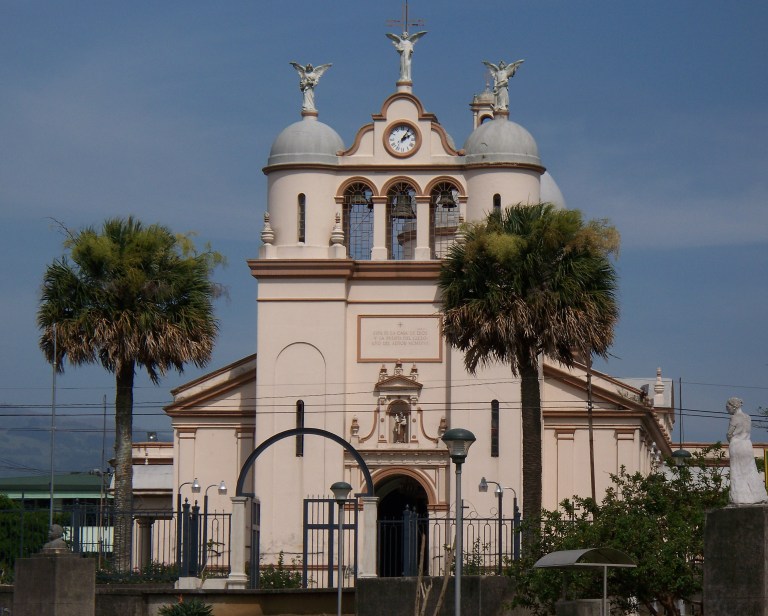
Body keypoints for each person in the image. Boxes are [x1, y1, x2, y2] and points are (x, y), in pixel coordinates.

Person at [726, 397, 768, 505]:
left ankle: (741, 497)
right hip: (747, 445)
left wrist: (730, 439)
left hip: (737, 445)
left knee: (737, 471)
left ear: (733, 406)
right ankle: (758, 495)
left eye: (728, 406)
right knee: (750, 469)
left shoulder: (734, 417)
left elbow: (729, 434)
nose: (727, 409)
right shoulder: (748, 417)